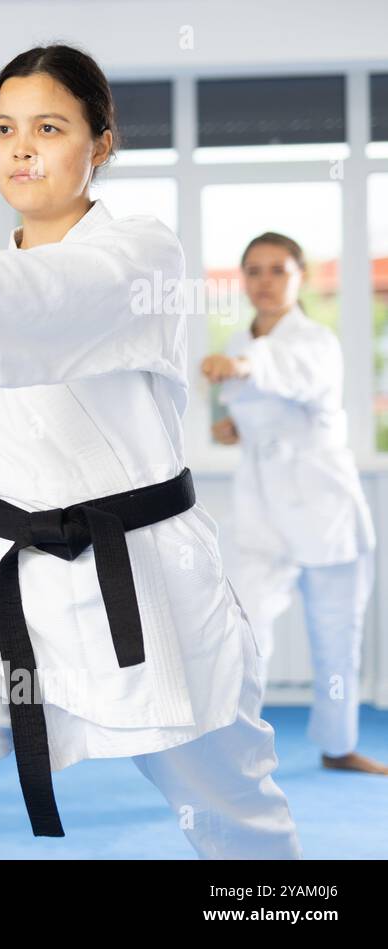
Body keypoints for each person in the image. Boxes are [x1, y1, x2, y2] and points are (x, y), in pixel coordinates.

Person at [0, 44, 302, 859]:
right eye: (5, 128)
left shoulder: (142, 255)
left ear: (100, 143)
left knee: (233, 817)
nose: (21, 147)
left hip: (143, 586)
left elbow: (47, 299)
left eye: (49, 126)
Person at [204, 231, 386, 775]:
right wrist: (233, 426)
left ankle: (338, 746)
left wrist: (241, 370)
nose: (265, 282)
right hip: (262, 506)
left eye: (278, 270)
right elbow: (261, 408)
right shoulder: (239, 339)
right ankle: (235, 751)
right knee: (244, 628)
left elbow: (299, 381)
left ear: (300, 277)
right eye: (254, 271)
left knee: (336, 634)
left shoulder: (315, 342)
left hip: (323, 506)